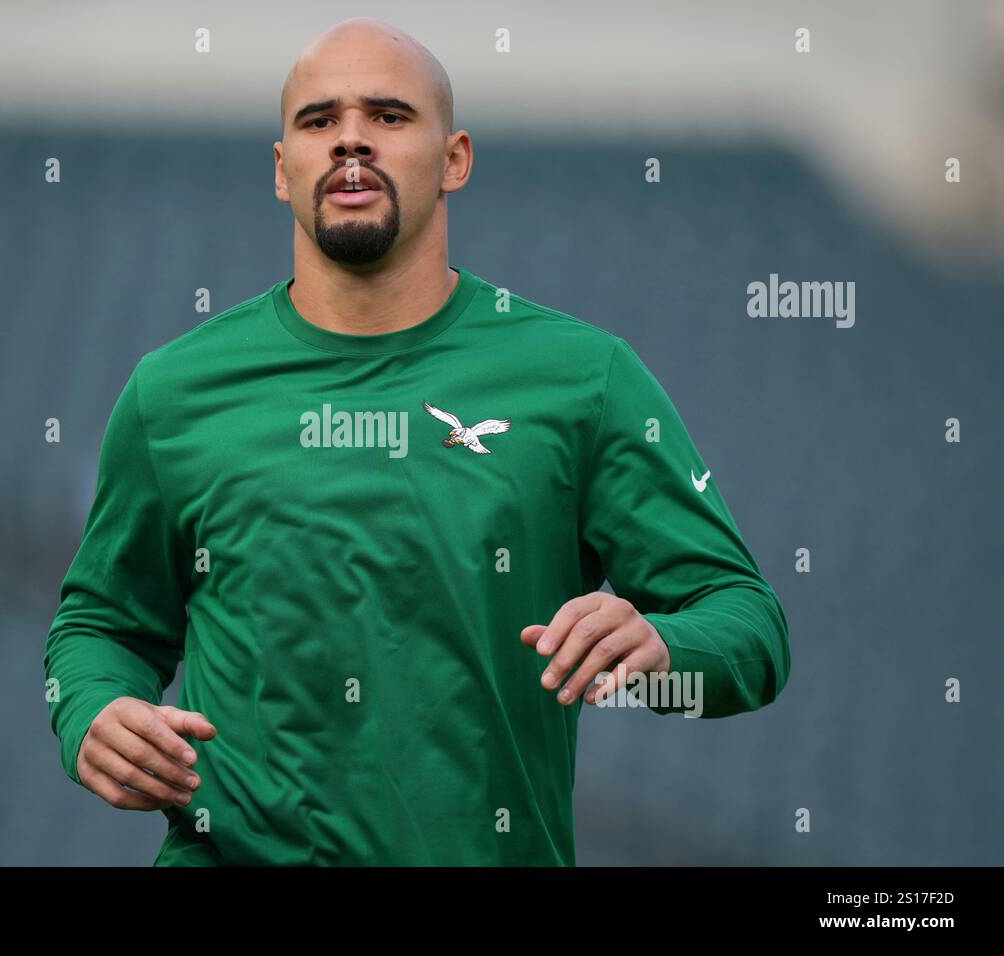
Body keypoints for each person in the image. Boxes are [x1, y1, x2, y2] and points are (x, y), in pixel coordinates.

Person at [43, 17, 790, 866]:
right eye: (318, 121)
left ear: (455, 159)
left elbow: (752, 628)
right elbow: (102, 624)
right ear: (282, 169)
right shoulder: (173, 392)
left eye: (390, 116)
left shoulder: (583, 378)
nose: (351, 139)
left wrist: (665, 647)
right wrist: (92, 712)